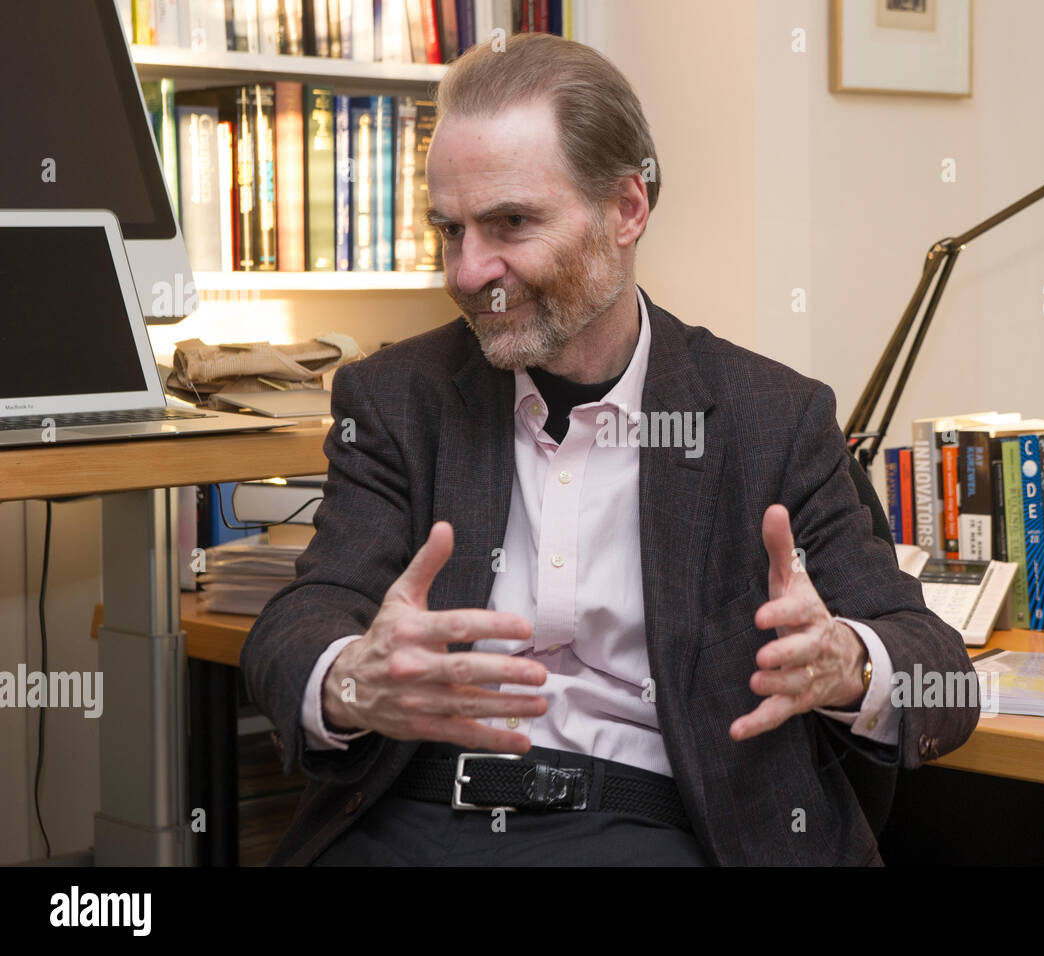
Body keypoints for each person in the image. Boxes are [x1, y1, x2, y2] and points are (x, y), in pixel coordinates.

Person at [240, 32, 980, 866]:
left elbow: (944, 682)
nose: (467, 270)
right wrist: (350, 678)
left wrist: (847, 663)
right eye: (450, 231)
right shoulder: (397, 399)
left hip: (653, 823)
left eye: (511, 222)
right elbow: (294, 626)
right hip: (412, 816)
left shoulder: (770, 417)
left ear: (628, 209)